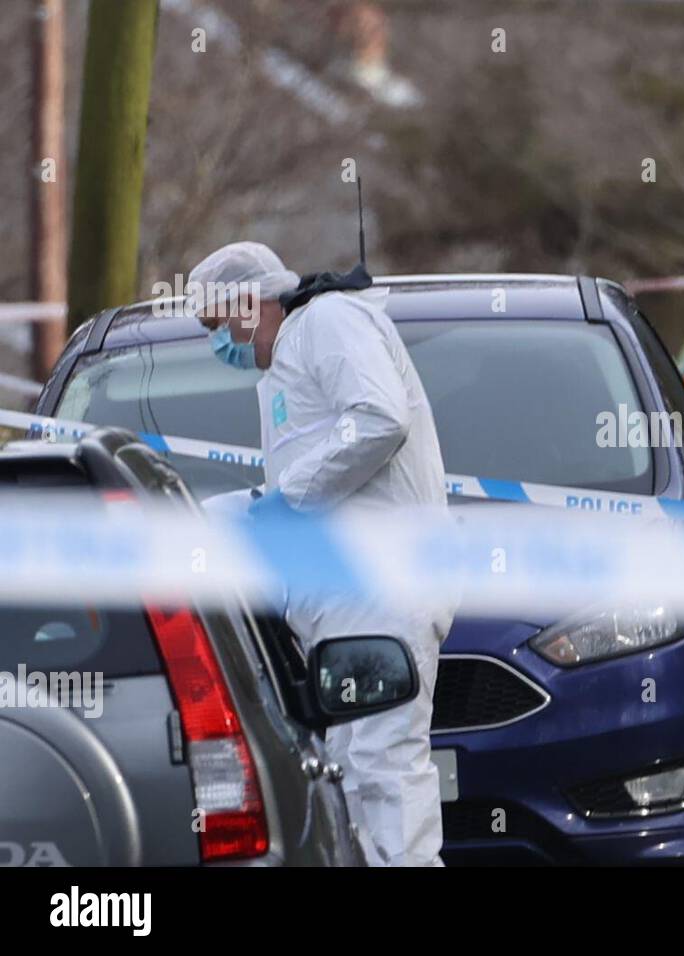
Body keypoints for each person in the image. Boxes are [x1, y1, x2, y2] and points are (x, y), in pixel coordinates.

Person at [186, 241, 454, 866]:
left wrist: (291, 499)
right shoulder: (287, 363)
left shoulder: (328, 322)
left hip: (381, 592)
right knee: (360, 781)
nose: (218, 343)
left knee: (384, 778)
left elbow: (379, 419)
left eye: (217, 324)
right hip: (348, 603)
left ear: (248, 303)